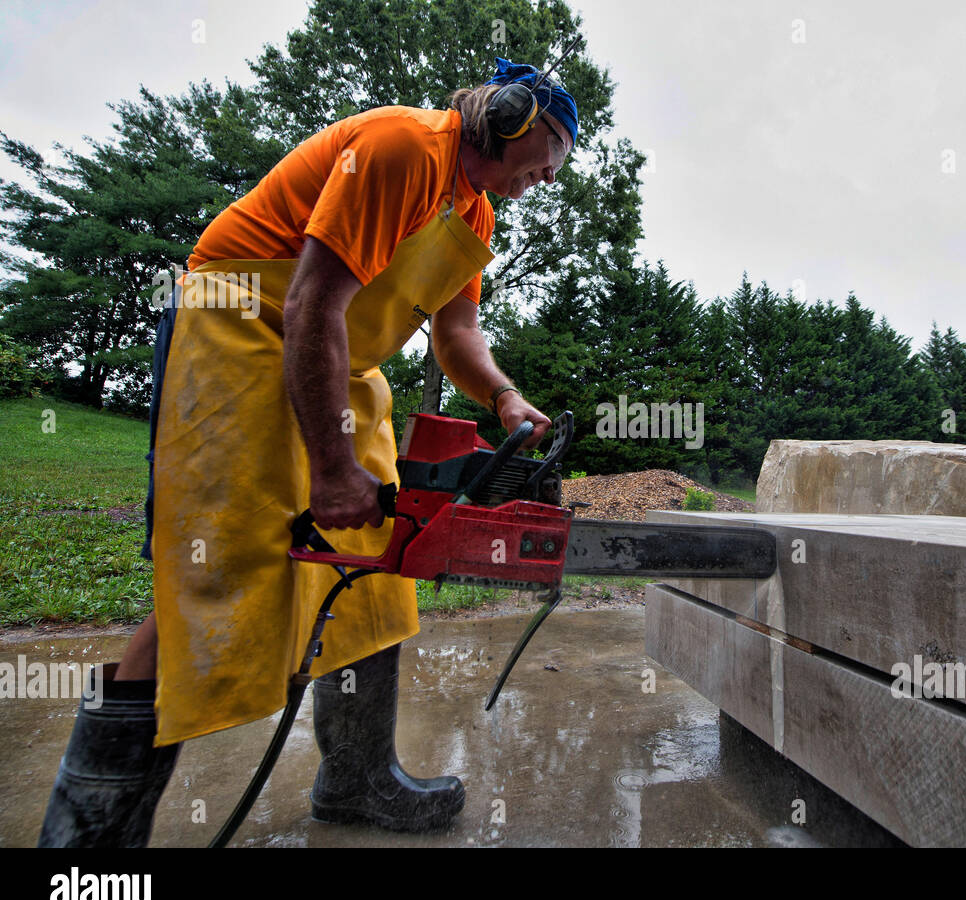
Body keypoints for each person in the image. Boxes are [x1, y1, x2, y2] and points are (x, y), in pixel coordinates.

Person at [38, 58, 577, 847]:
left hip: (336, 359)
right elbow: (312, 298)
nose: (549, 178)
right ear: (517, 116)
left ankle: (356, 778)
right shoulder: (403, 148)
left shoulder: (475, 211)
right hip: (240, 328)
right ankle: (87, 843)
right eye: (550, 159)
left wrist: (501, 396)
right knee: (217, 567)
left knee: (375, 562)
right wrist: (330, 468)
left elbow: (456, 332)